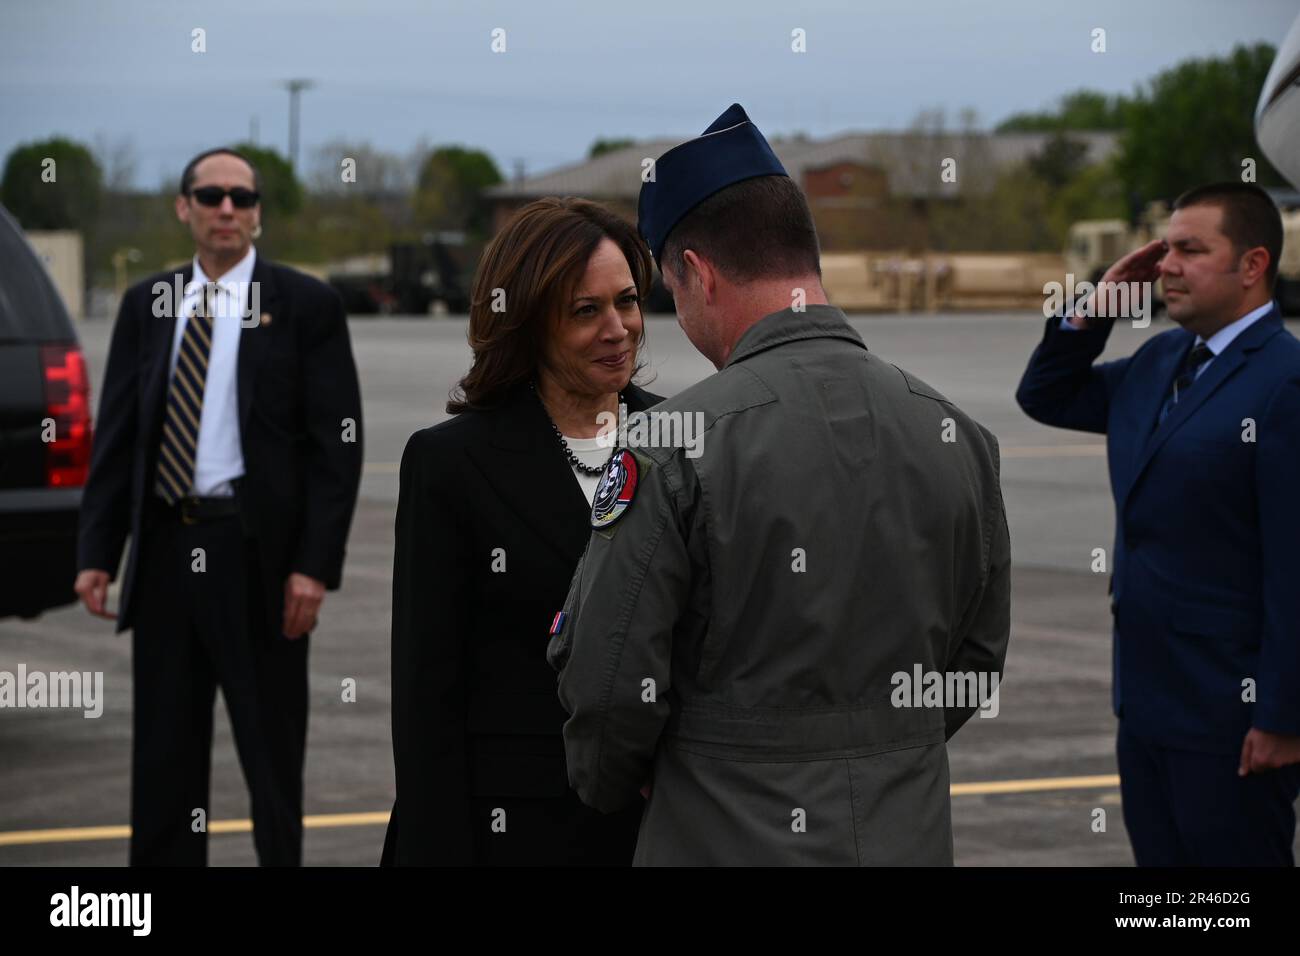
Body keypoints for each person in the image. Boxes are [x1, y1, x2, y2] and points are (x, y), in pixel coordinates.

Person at [545, 104, 1011, 866]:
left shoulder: (668, 444)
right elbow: (976, 663)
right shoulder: (957, 434)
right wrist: (881, 752)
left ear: (696, 271)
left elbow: (609, 676)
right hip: (909, 832)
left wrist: (612, 782)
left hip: (722, 831)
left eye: (667, 290)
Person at [73, 147, 364, 866]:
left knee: (270, 759)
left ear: (258, 211)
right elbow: (117, 438)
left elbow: (337, 450)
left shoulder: (305, 306)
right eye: (210, 196)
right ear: (184, 208)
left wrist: (312, 569)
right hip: (168, 551)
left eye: (241, 196)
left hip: (257, 559)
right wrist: (95, 554)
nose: (226, 208)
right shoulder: (148, 306)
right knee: (164, 760)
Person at [1017, 182, 1300, 866]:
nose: (1166, 264)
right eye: (1165, 248)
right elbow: (1045, 394)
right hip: (1147, 704)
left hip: (1232, 717)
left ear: (1253, 265)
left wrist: (1283, 716)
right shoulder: (1158, 362)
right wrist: (1100, 305)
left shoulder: (1286, 382)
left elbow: (1296, 566)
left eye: (1191, 250)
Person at [381, 198, 661, 865]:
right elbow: (427, 695)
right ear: (528, 323)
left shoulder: (686, 440)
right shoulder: (449, 463)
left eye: (626, 301)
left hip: (659, 829)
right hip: (511, 832)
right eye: (585, 311)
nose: (618, 329)